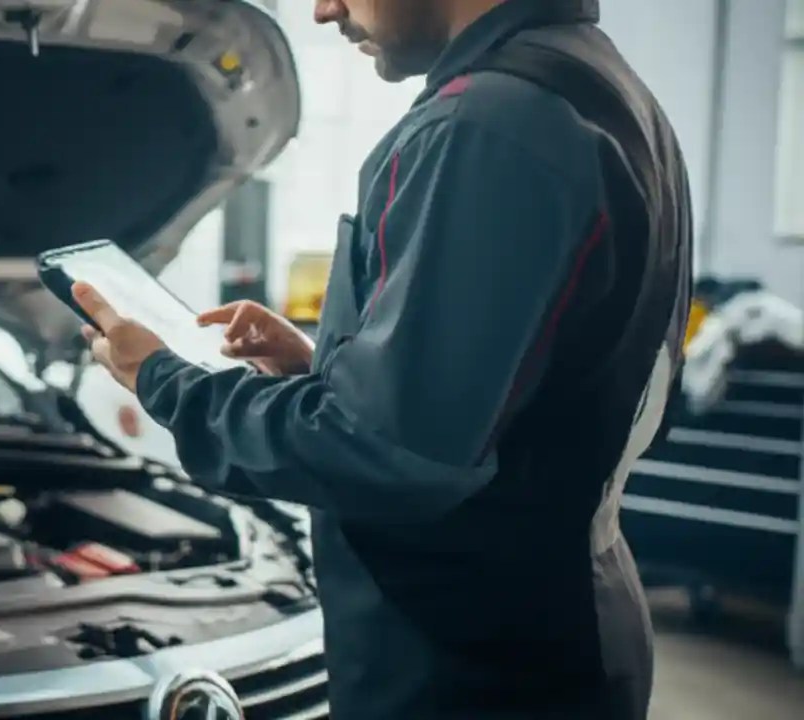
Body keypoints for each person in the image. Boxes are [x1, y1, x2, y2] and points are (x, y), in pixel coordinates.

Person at [72, 0, 692, 717]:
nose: (323, 7)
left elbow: (384, 453)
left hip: (469, 664)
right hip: (552, 616)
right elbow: (526, 392)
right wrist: (319, 368)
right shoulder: (597, 87)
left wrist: (166, 378)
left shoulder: (486, 124)